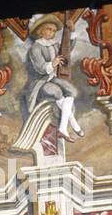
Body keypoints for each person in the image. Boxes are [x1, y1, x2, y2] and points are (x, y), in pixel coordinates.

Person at [25, 14, 83, 142]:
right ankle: (72, 125)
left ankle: (64, 128)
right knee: (57, 92)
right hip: (39, 82)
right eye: (49, 29)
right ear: (41, 31)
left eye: (53, 30)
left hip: (52, 78)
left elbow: (68, 48)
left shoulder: (54, 44)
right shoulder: (35, 48)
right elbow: (40, 68)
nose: (52, 32)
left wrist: (72, 31)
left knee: (72, 92)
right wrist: (53, 63)